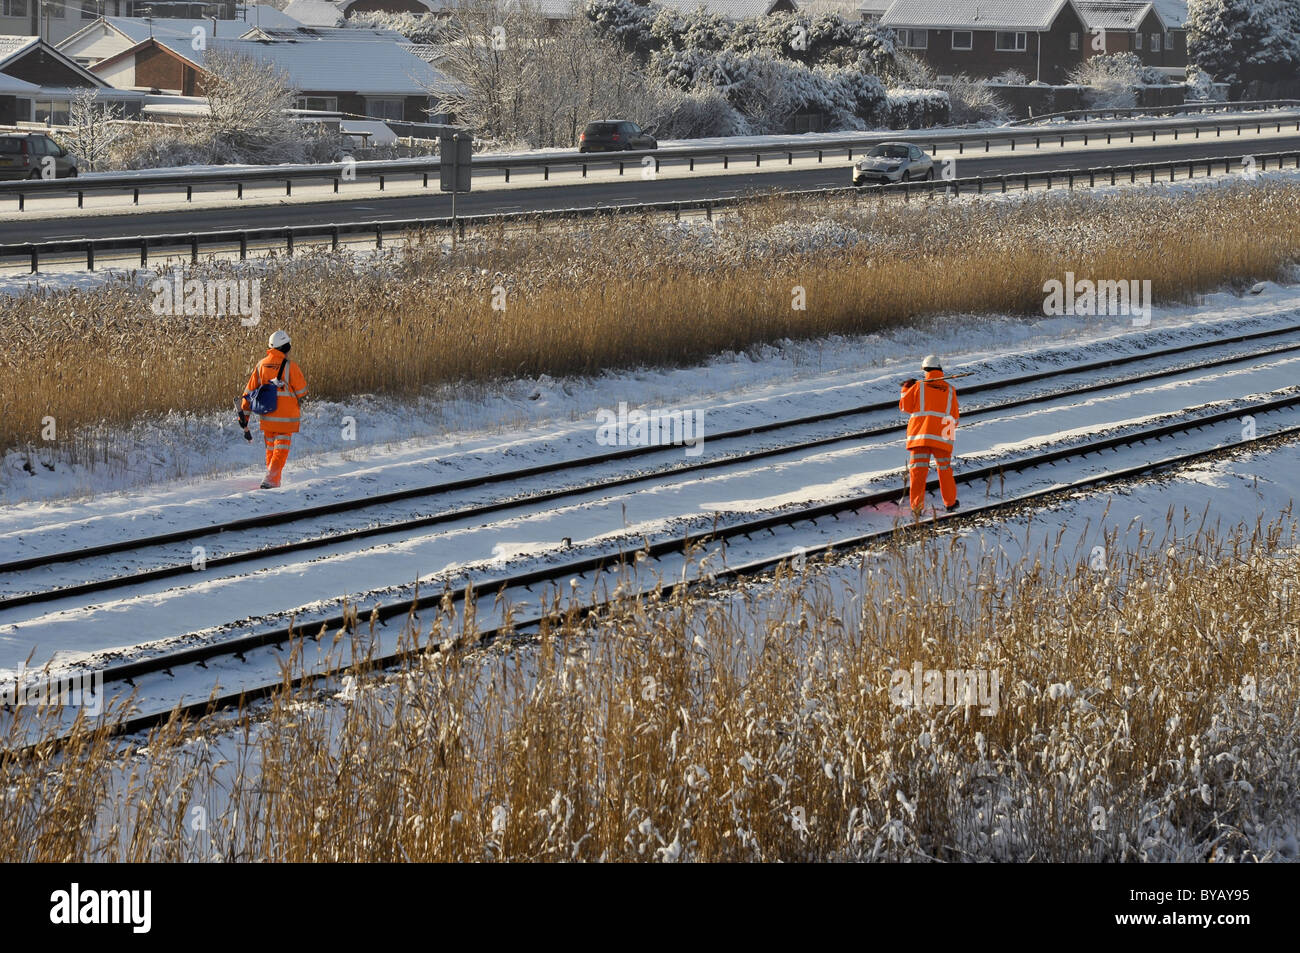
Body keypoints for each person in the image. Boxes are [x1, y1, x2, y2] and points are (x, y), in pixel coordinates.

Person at [238, 329, 308, 489]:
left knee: (271, 450)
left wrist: (244, 417)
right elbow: (302, 391)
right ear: (285, 347)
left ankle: (274, 482)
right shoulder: (291, 367)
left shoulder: (261, 365)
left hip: (267, 418)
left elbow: (247, 393)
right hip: (286, 419)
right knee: (280, 451)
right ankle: (270, 480)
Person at [899, 354, 959, 517]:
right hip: (942, 438)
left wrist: (905, 388)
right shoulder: (951, 390)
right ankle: (950, 503)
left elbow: (905, 407)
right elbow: (955, 418)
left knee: (918, 472)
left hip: (920, 437)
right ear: (940, 369)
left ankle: (917, 508)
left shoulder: (918, 386)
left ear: (925, 370)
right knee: (945, 470)